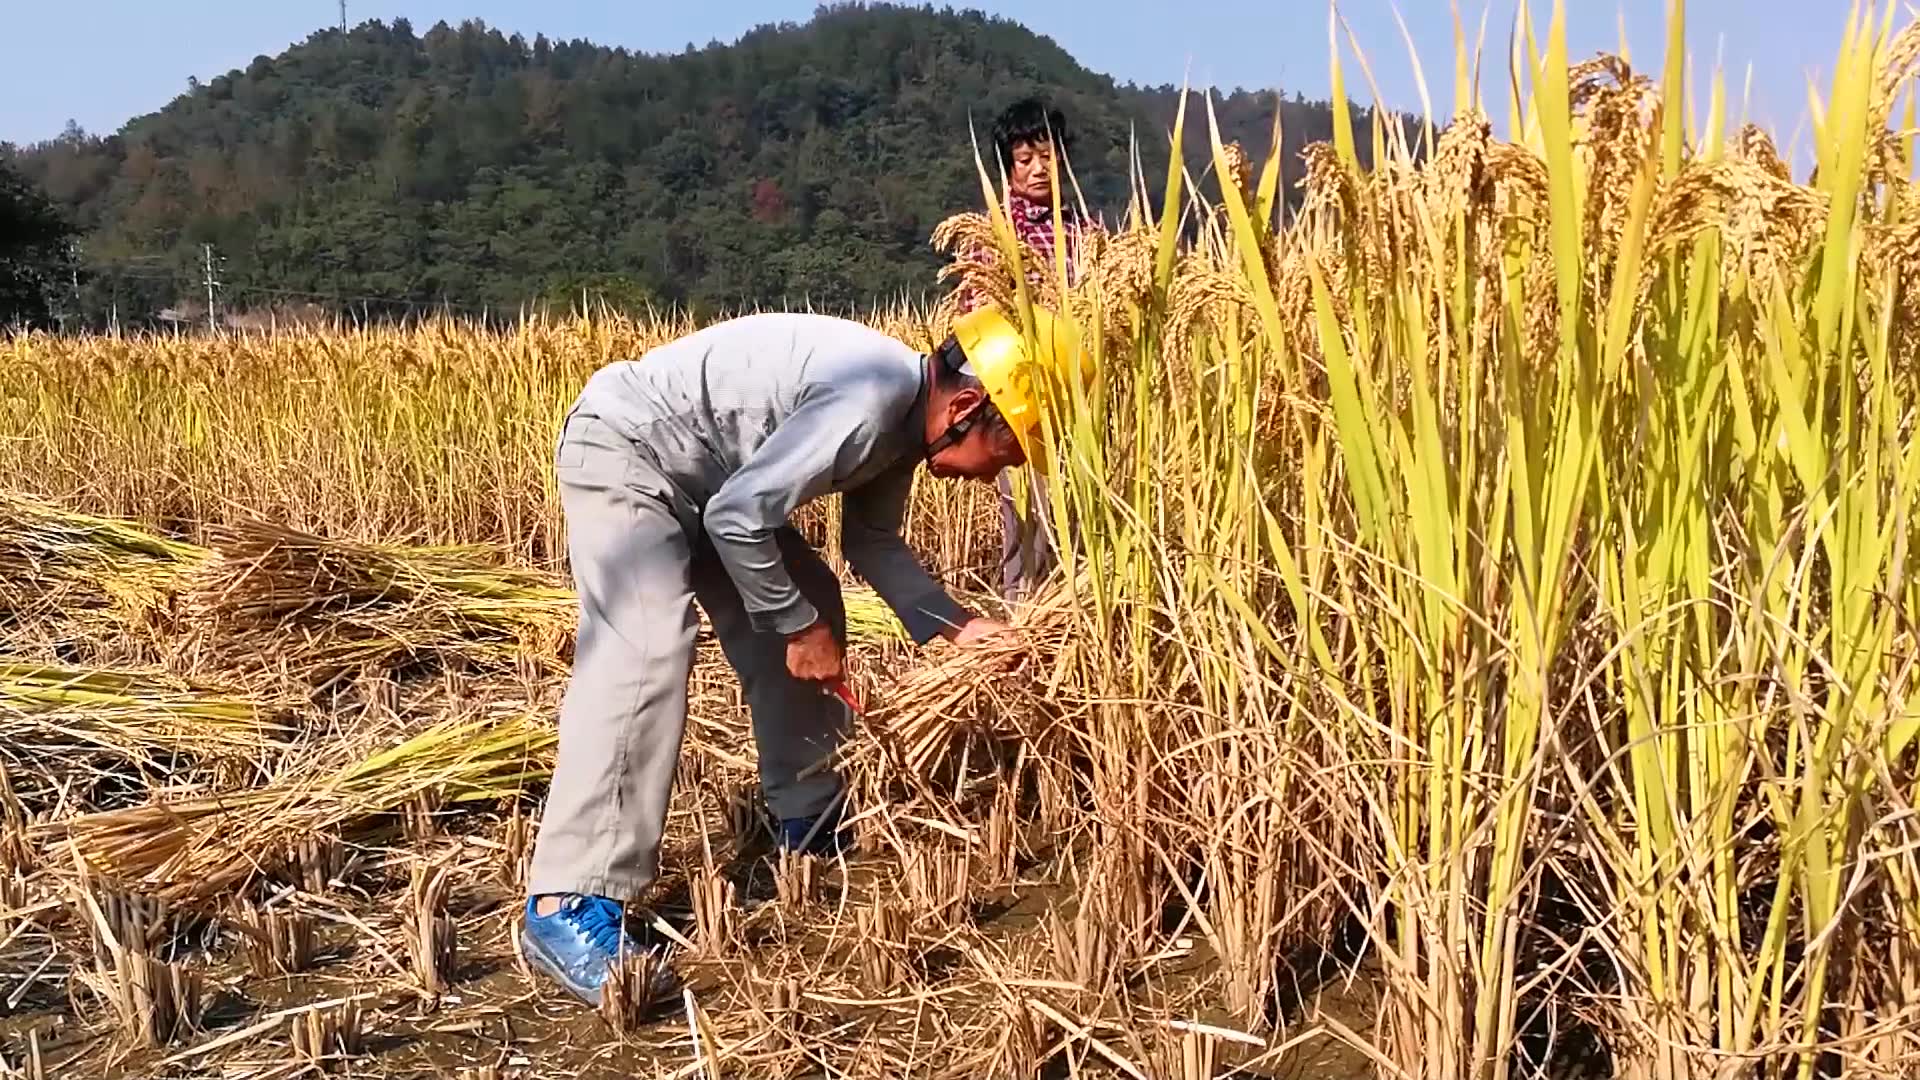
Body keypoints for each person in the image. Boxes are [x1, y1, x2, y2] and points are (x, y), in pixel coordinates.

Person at [520, 304, 1092, 1007]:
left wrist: (964, 628)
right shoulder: (873, 397)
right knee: (645, 644)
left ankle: (811, 819)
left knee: (811, 597)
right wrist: (798, 631)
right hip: (629, 450)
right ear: (969, 407)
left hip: (708, 486)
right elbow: (740, 518)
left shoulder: (905, 422)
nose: (993, 474)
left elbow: (871, 544)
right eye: (1008, 451)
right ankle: (567, 901)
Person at [956, 96, 1098, 604]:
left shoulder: (1084, 232)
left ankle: (1072, 607)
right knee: (1024, 508)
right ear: (1008, 167)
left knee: (1081, 507)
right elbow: (980, 315)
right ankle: (1019, 615)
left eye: (1048, 156)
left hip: (1080, 395)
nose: (1039, 169)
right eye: (1025, 159)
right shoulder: (995, 237)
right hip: (1020, 394)